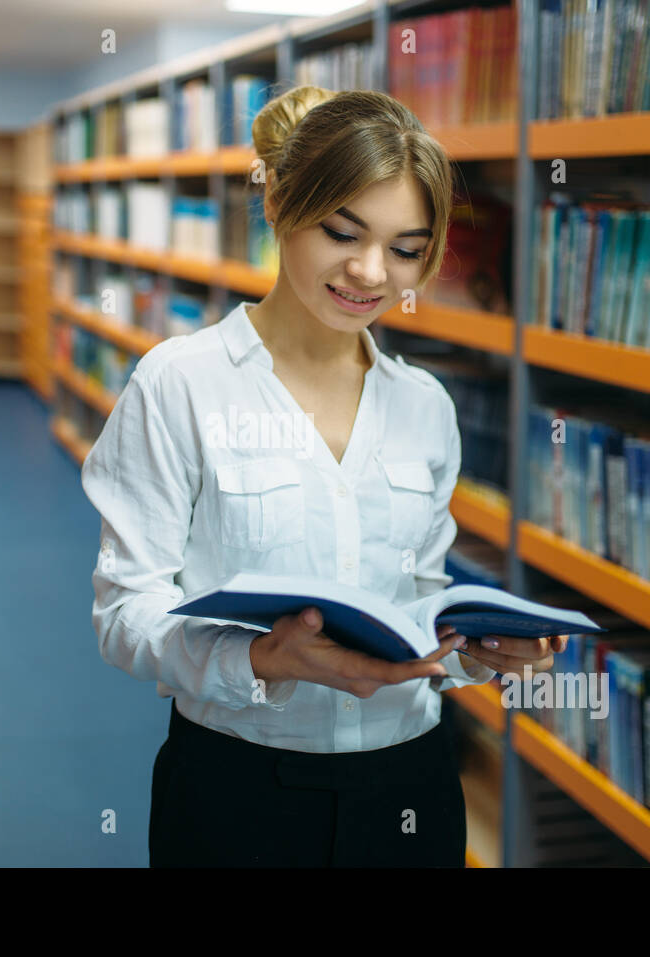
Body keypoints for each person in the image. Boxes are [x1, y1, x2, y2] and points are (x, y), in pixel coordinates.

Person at [81, 84, 562, 867]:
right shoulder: (180, 384)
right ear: (276, 201)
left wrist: (481, 652)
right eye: (343, 231)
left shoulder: (426, 407)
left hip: (410, 786)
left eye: (406, 248)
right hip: (238, 793)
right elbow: (126, 611)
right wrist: (256, 660)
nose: (371, 271)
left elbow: (417, 607)